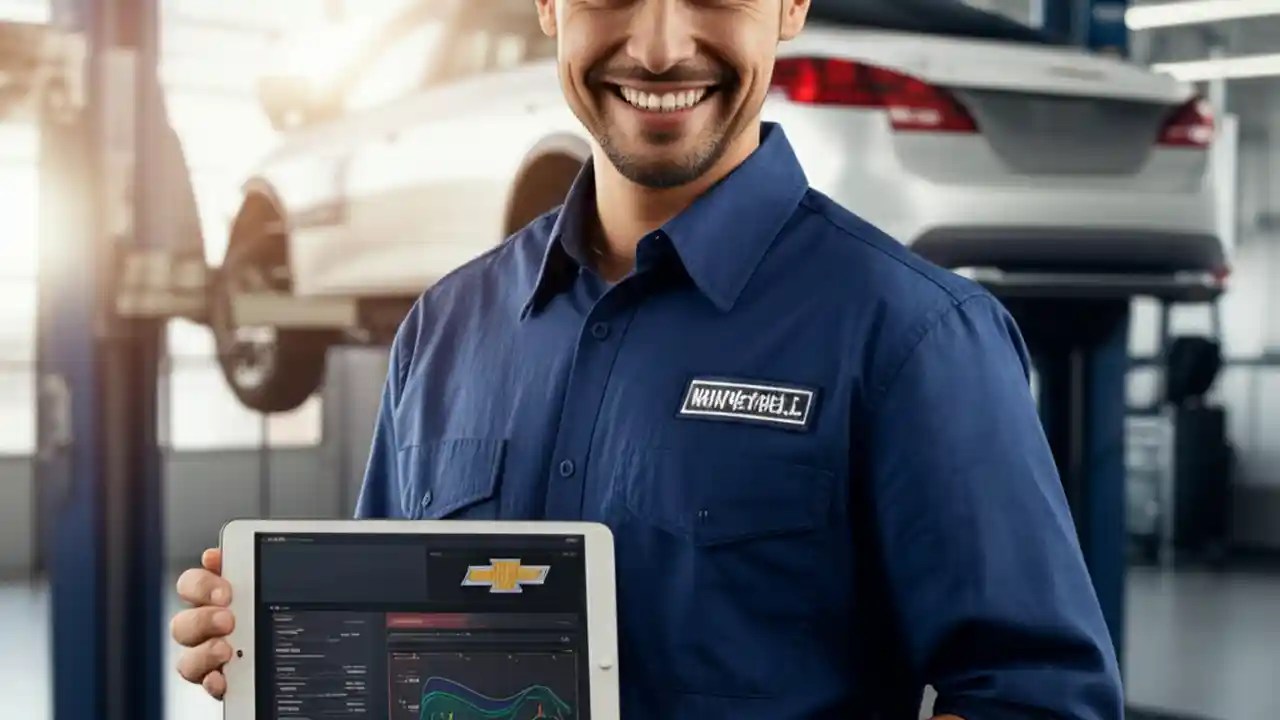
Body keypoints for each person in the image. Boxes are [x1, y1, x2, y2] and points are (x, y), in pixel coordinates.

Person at [172, 0, 1123, 717]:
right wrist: (286, 652)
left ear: (790, 4)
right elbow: (391, 658)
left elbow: (1040, 700)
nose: (661, 45)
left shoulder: (915, 339)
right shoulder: (445, 330)